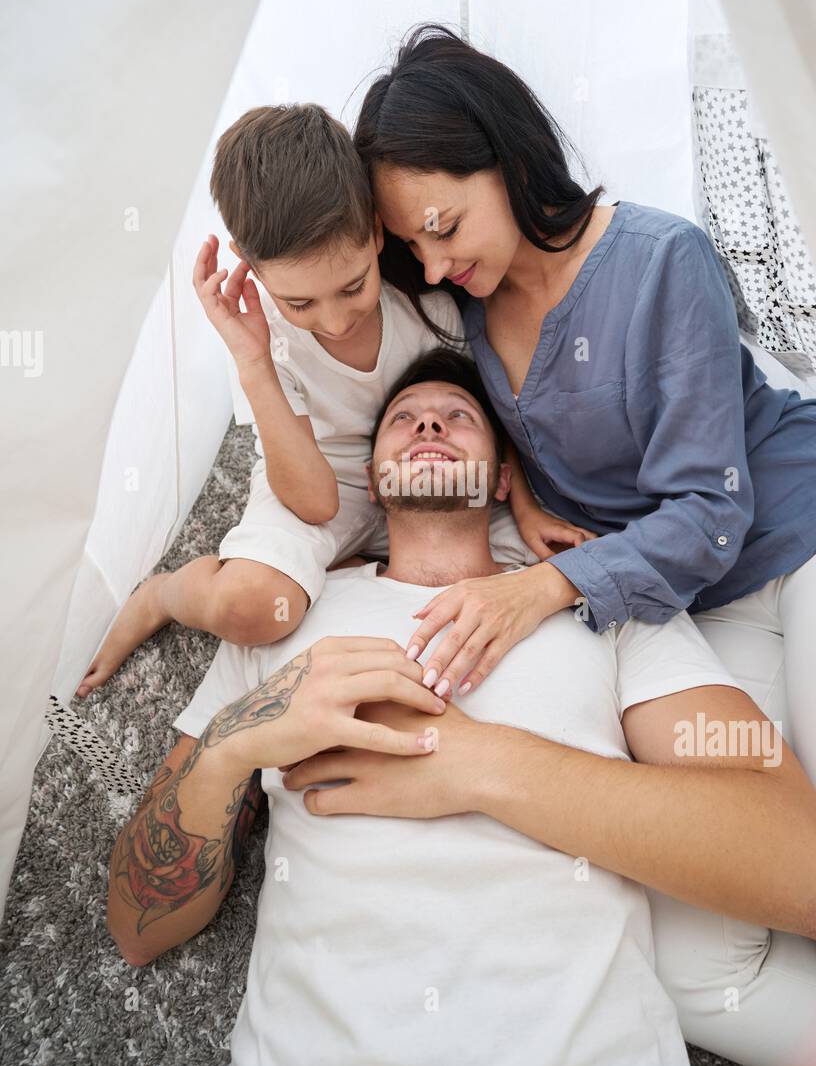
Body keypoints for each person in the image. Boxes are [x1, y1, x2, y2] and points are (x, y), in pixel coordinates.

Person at [107, 351, 816, 1066]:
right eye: (404, 419)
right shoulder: (284, 625)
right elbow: (137, 929)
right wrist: (232, 744)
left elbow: (813, 880)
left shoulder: (600, 606)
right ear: (370, 478)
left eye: (458, 417)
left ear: (504, 481)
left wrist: (477, 764)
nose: (429, 422)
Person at [355, 23, 816, 1022]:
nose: (433, 258)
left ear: (503, 160)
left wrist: (539, 585)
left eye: (443, 224)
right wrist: (523, 493)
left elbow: (712, 512)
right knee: (694, 963)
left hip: (811, 539)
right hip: (688, 606)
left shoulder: (659, 258)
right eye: (411, 244)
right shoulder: (461, 307)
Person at [77, 104, 588, 700]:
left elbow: (494, 415)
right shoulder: (264, 333)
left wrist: (524, 507)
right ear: (252, 266)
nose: (336, 319)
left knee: (558, 577)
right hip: (321, 478)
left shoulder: (430, 303)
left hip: (432, 475)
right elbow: (315, 501)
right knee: (255, 609)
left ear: (375, 231)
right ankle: (166, 593)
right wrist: (254, 363)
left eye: (352, 287)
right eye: (302, 304)